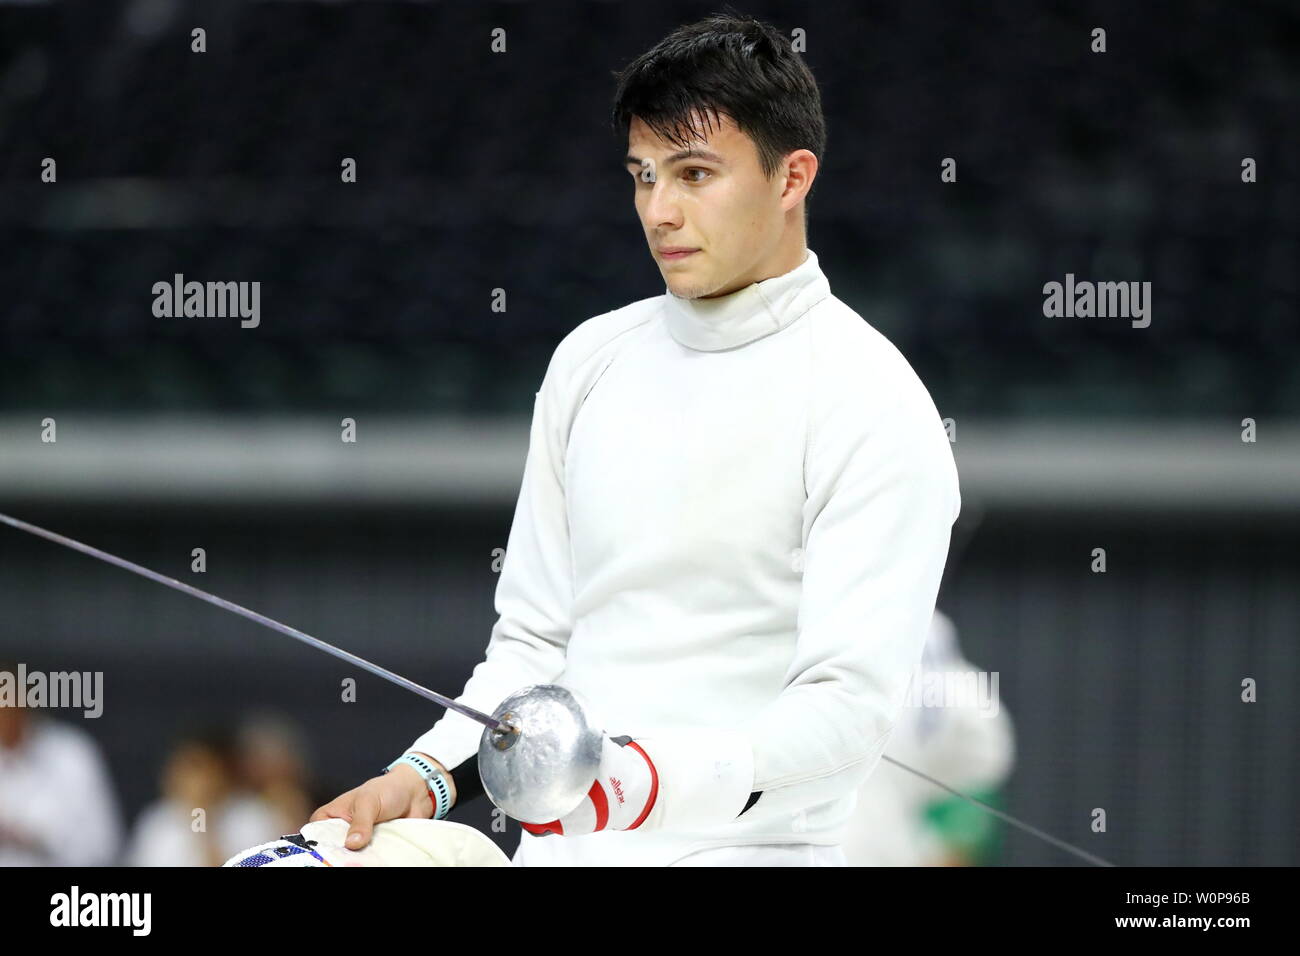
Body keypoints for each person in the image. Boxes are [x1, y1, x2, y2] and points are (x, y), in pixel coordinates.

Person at [312, 12, 960, 867]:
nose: (661, 210)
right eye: (643, 176)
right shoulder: (591, 362)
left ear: (792, 176)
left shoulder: (870, 398)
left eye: (695, 174)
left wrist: (642, 781)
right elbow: (532, 649)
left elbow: (845, 716)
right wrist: (424, 777)